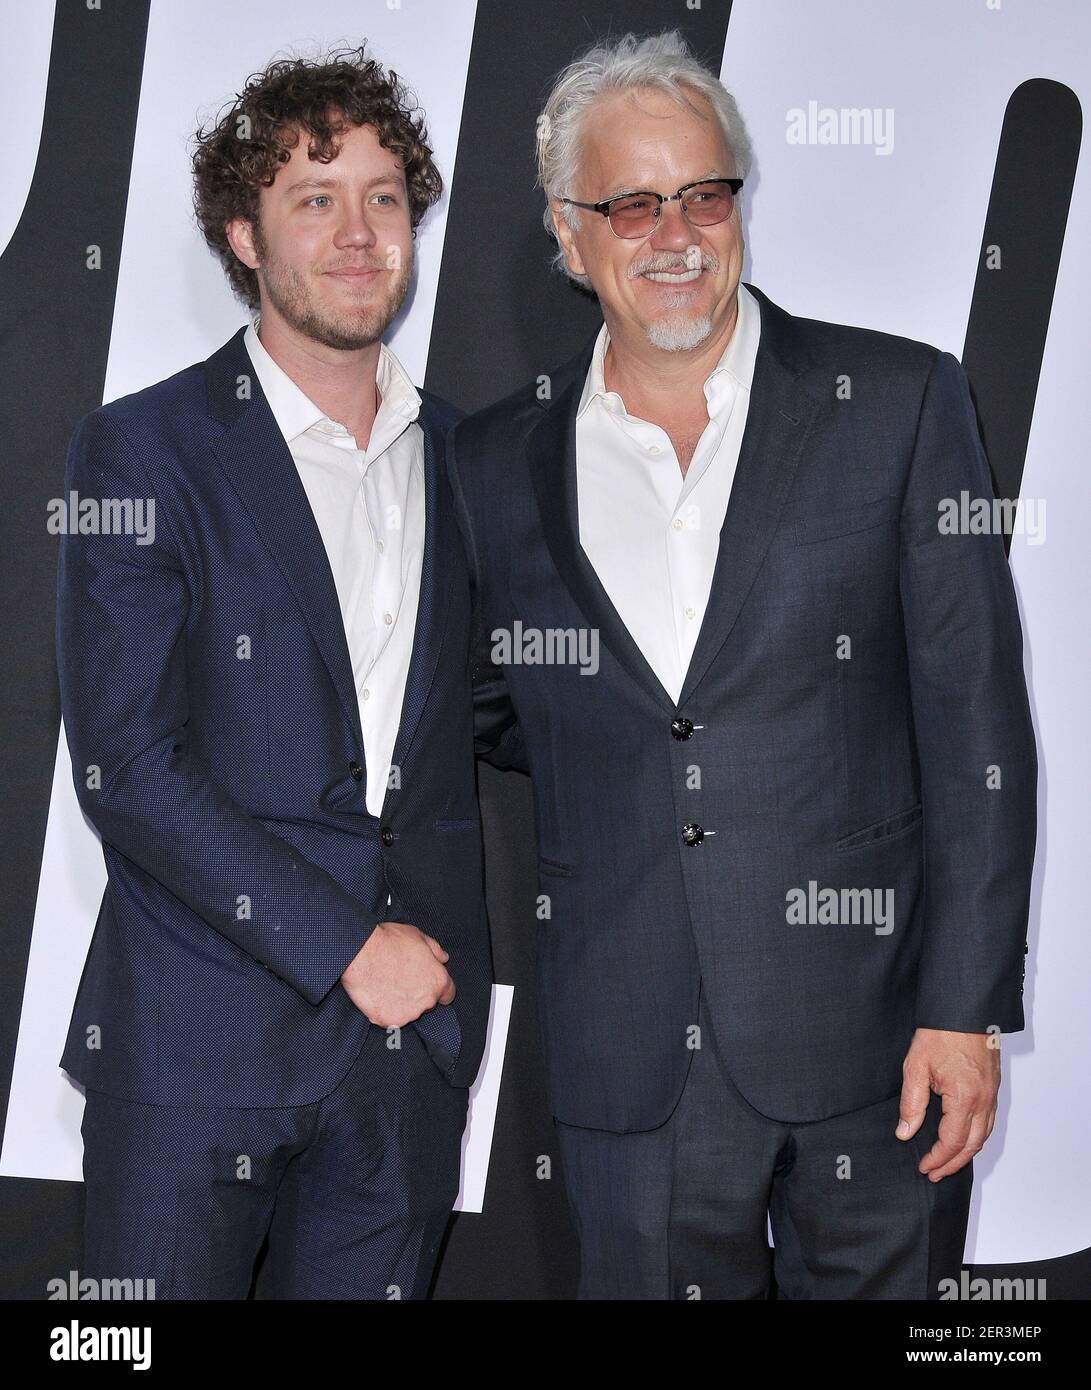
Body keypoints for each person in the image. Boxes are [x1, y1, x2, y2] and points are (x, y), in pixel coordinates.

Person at [447, 30, 1037, 1299]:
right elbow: (497, 706)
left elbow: (975, 725)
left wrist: (964, 1007)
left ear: (738, 203)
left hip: (881, 1041)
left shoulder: (894, 403)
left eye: (704, 194)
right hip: (629, 1049)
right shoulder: (493, 462)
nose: (675, 234)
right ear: (568, 230)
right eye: (633, 203)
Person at [56, 47, 489, 1300]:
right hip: (196, 1046)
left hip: (407, 1056)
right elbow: (126, 767)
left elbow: (501, 715)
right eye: (315, 198)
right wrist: (347, 943)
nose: (359, 234)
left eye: (385, 196)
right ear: (243, 234)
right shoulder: (141, 450)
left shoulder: (470, 461)